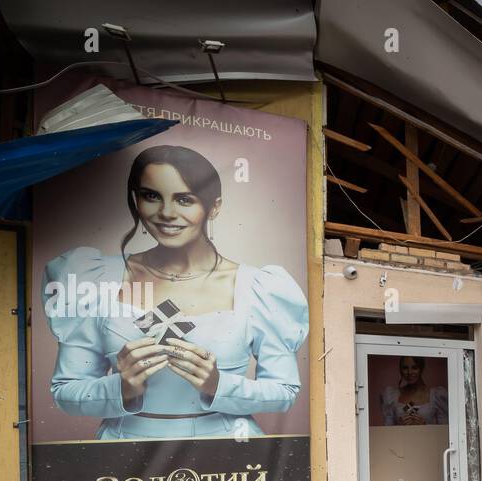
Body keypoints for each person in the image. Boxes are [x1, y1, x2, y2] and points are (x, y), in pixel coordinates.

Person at [43, 144, 308, 440]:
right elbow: (66, 391)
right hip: (124, 460)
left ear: (214, 206)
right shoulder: (95, 277)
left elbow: (284, 392)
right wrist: (122, 387)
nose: (167, 213)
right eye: (152, 196)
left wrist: (218, 384)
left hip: (227, 459)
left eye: (184, 199)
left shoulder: (260, 287)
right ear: (135, 199)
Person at [382, 355, 447, 425]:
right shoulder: (391, 396)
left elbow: (445, 430)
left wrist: (426, 426)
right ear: (401, 370)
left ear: (421, 368)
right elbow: (387, 430)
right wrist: (399, 426)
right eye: (405, 368)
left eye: (414, 367)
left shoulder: (437, 395)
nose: (409, 372)